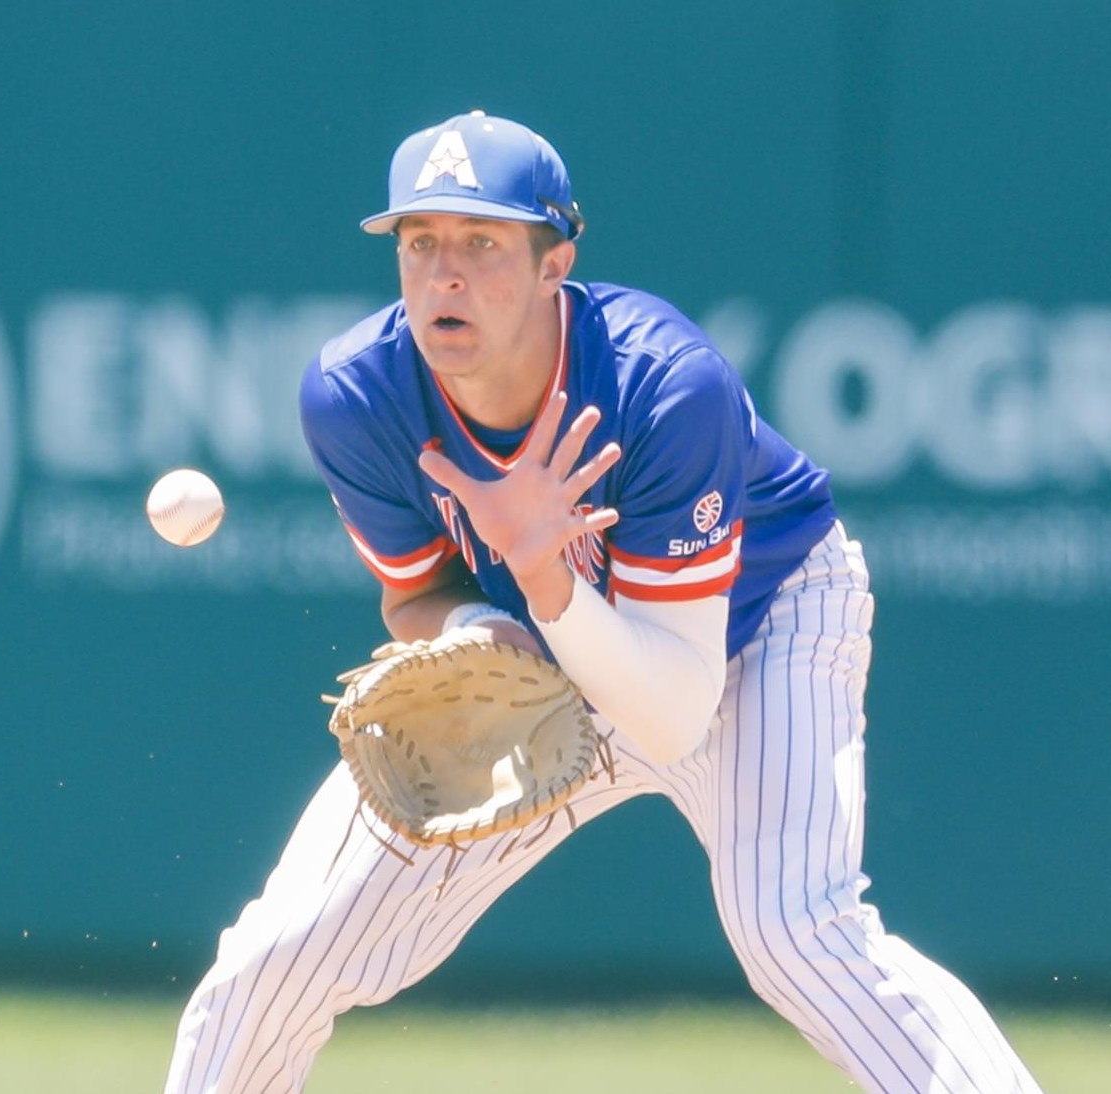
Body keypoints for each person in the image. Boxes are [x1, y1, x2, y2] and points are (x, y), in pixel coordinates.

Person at [164, 110, 1045, 1094]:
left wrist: (542, 578)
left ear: (555, 261)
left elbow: (669, 710)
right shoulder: (356, 393)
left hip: (758, 618)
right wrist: (484, 637)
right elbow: (416, 592)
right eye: (419, 242)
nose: (443, 273)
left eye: (482, 241)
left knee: (794, 929)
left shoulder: (662, 385)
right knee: (278, 953)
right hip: (548, 655)